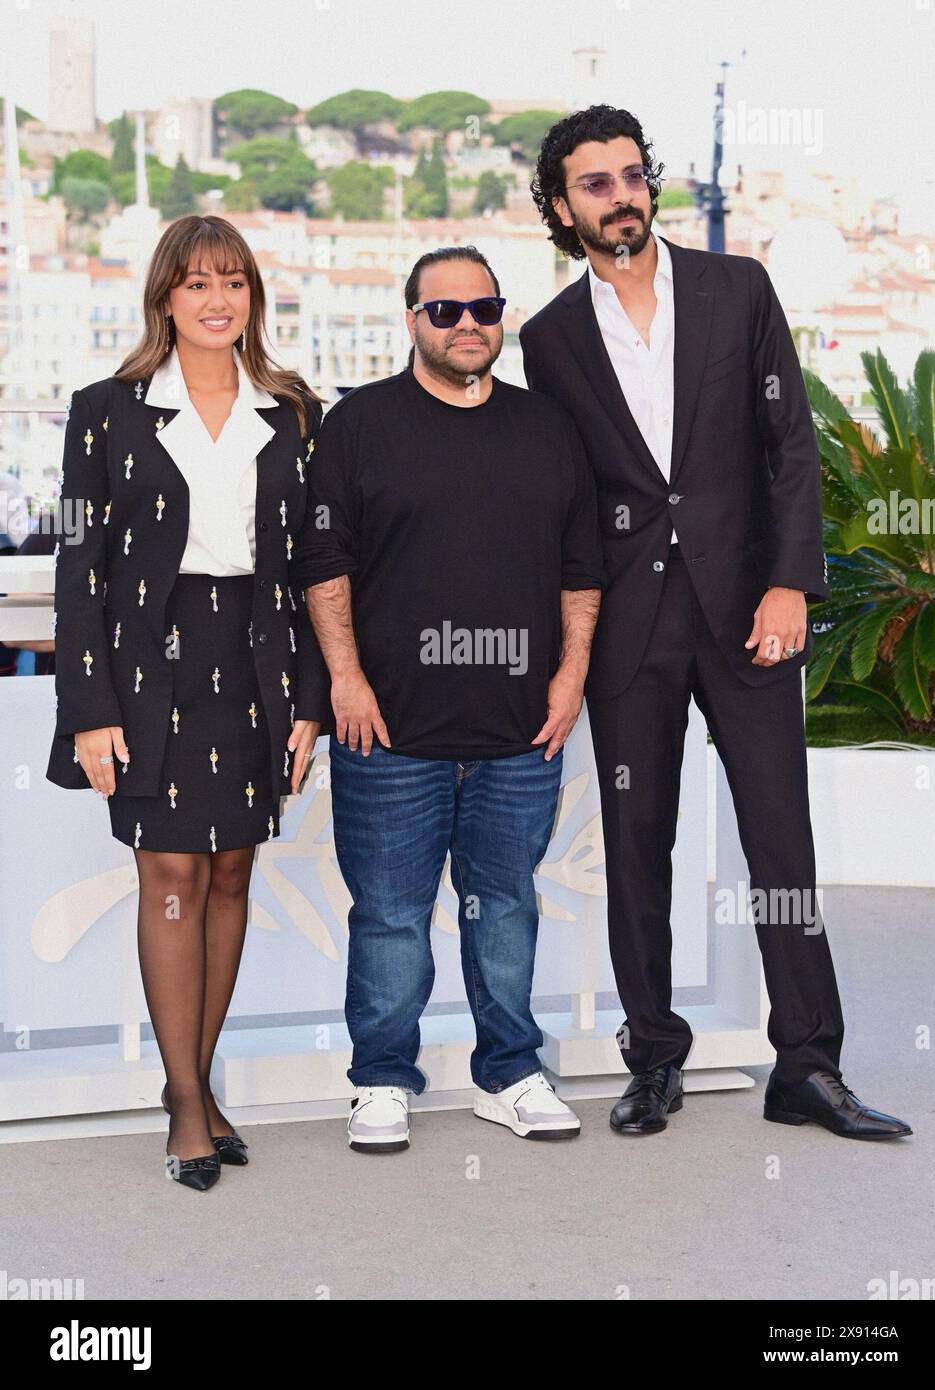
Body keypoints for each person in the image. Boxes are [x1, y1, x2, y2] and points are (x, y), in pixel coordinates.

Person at [520, 105, 911, 1141]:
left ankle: (810, 1065)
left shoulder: (737, 289)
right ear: (563, 208)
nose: (621, 195)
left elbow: (789, 446)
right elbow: (560, 497)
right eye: (594, 184)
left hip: (748, 615)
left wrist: (791, 583)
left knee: (781, 841)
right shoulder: (548, 339)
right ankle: (653, 1057)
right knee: (637, 845)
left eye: (631, 175)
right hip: (629, 633)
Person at [292, 246, 605, 1152]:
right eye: (445, 311)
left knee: (505, 905)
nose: (467, 324)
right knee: (389, 916)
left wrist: (572, 672)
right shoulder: (359, 427)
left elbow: (582, 567)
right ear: (412, 321)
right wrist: (346, 679)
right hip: (389, 730)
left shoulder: (548, 429)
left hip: (519, 732)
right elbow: (323, 564)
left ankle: (510, 1072)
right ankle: (382, 1079)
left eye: (484, 308)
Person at [45, 215, 331, 1189]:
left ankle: (199, 1087)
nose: (218, 300)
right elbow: (76, 569)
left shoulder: (294, 409)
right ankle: (184, 1103)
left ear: (253, 297)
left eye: (235, 282)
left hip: (254, 660)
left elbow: (313, 569)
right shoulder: (103, 410)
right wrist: (88, 708)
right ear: (165, 295)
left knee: (232, 874)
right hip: (141, 668)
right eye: (198, 282)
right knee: (168, 867)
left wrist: (313, 699)